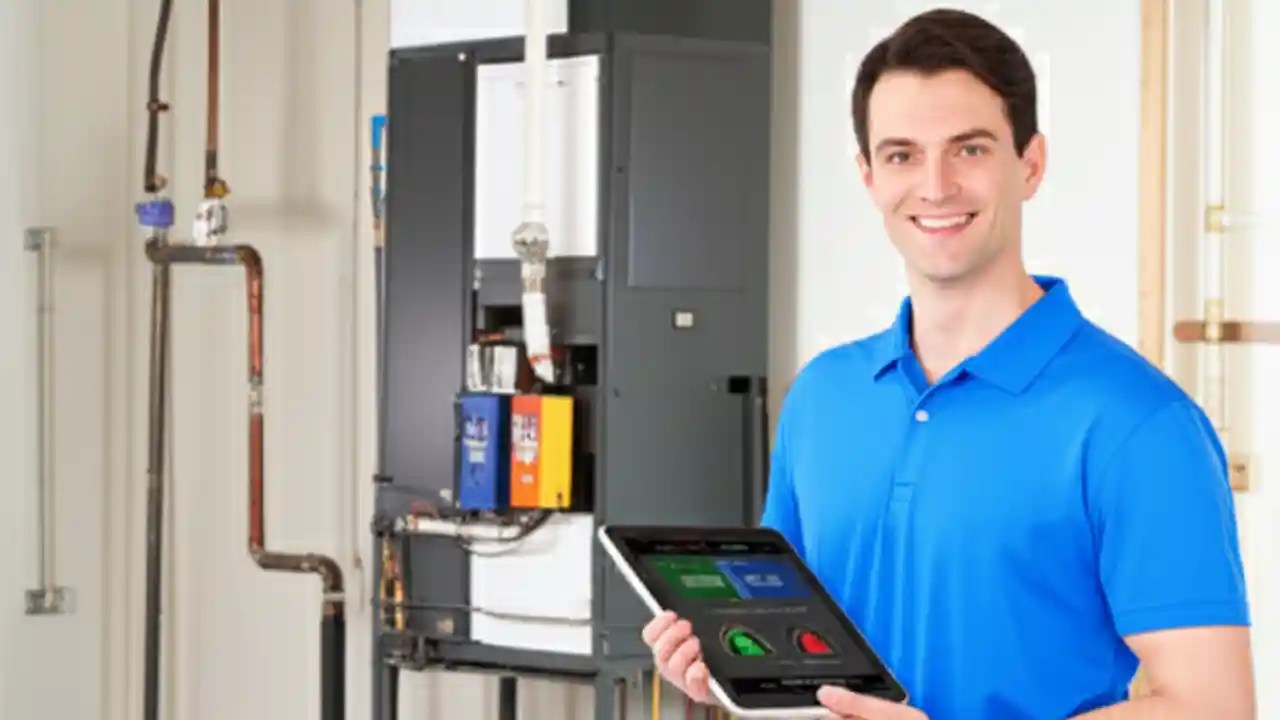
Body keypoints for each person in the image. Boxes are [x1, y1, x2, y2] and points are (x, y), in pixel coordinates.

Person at [642, 8, 1256, 719]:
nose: (935, 186)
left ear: (1029, 164)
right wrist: (723, 667)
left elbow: (1213, 705)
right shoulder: (823, 398)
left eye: (968, 149)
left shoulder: (1138, 422)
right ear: (869, 176)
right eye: (902, 155)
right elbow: (795, 653)